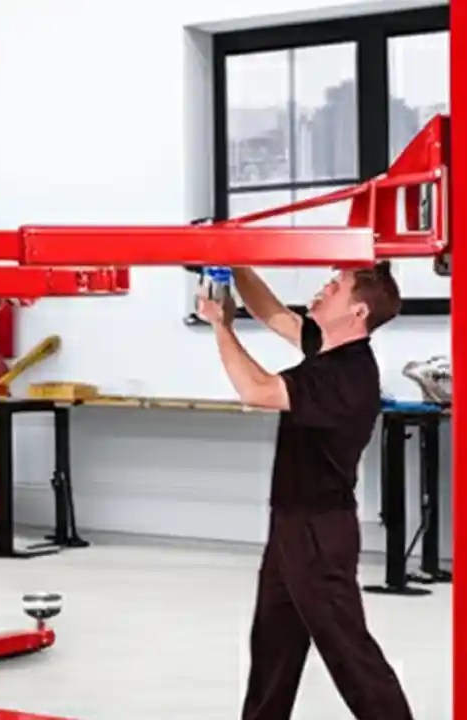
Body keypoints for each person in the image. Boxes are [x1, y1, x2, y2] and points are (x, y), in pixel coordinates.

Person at [195, 262, 413, 720]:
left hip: (318, 532)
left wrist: (220, 326)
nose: (322, 288)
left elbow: (256, 389)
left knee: (350, 654)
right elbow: (274, 314)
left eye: (335, 286)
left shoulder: (345, 377)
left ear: (356, 311)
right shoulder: (328, 351)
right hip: (292, 523)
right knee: (273, 643)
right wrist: (236, 263)